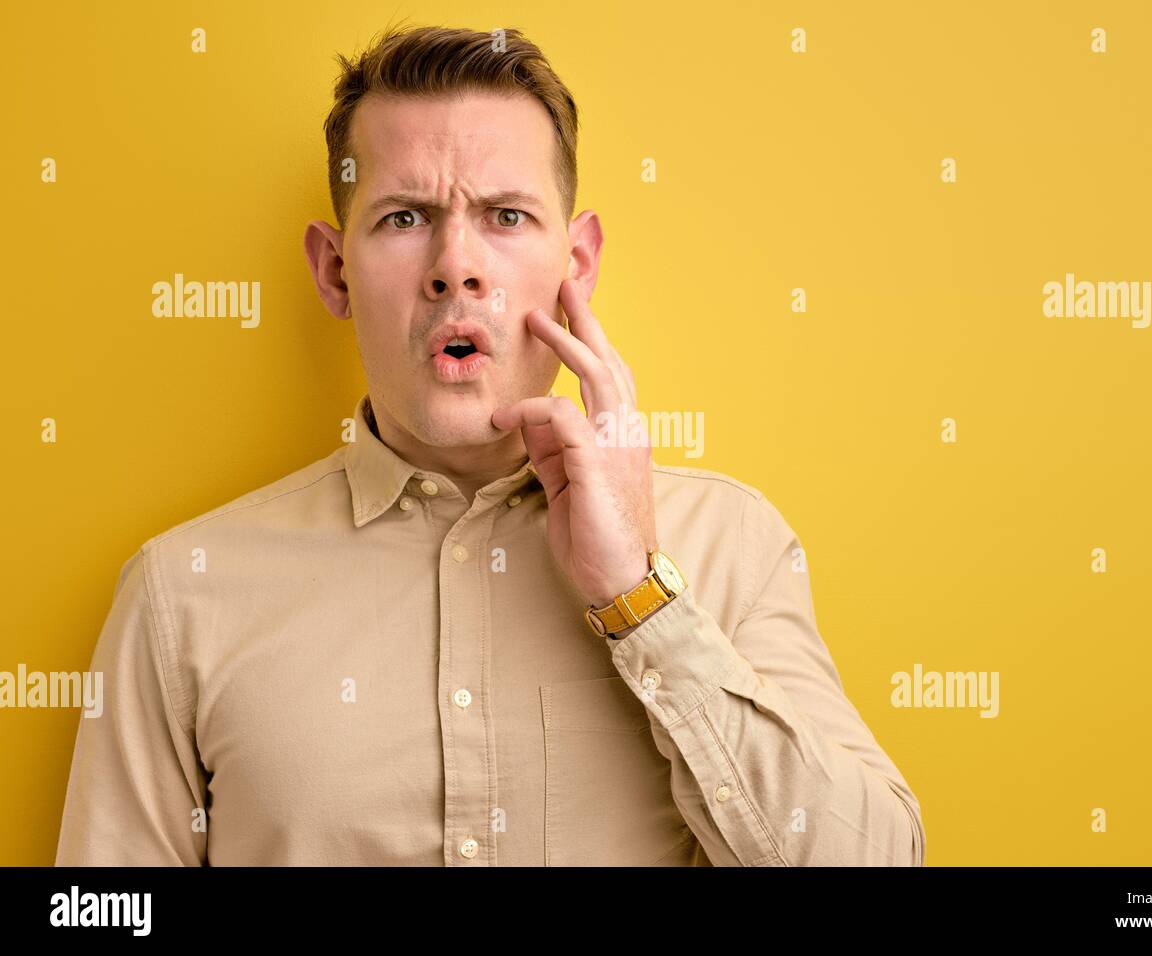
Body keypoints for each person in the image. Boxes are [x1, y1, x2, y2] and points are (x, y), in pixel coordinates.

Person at [54, 23, 925, 866]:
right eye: (404, 218)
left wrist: (642, 602)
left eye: (505, 216)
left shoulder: (735, 545)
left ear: (576, 265)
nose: (455, 265)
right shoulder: (181, 596)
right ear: (333, 270)